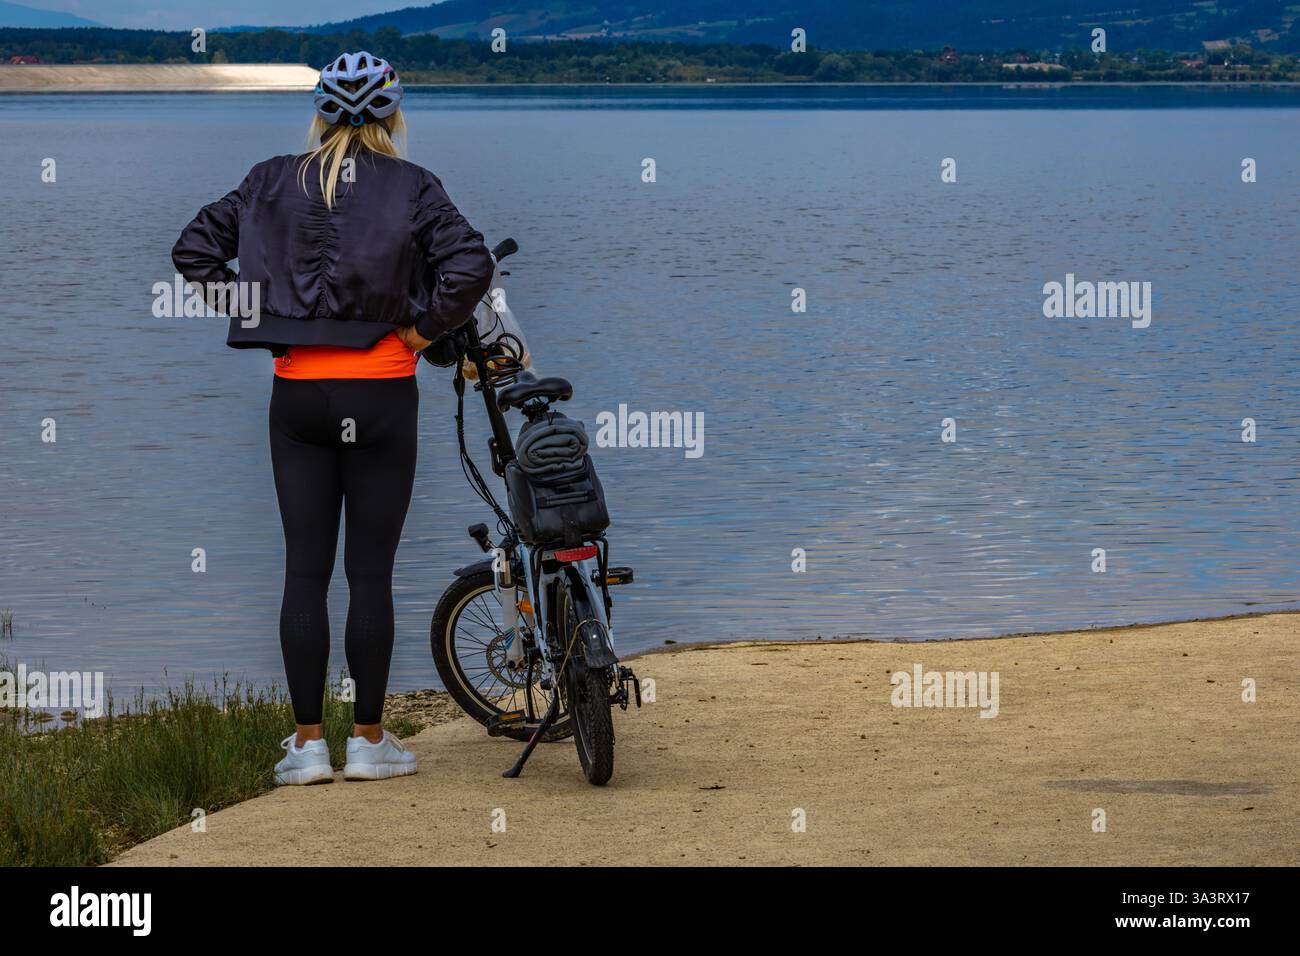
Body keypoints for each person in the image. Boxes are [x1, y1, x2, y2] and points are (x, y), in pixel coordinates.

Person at [172, 51, 494, 785]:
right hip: (382, 394)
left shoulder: (268, 179)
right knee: (370, 573)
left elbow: (193, 249)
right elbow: (471, 266)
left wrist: (262, 313)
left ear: (319, 113)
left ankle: (309, 747)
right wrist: (418, 334)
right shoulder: (413, 186)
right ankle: (372, 743)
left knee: (304, 573)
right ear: (393, 115)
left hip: (299, 400)